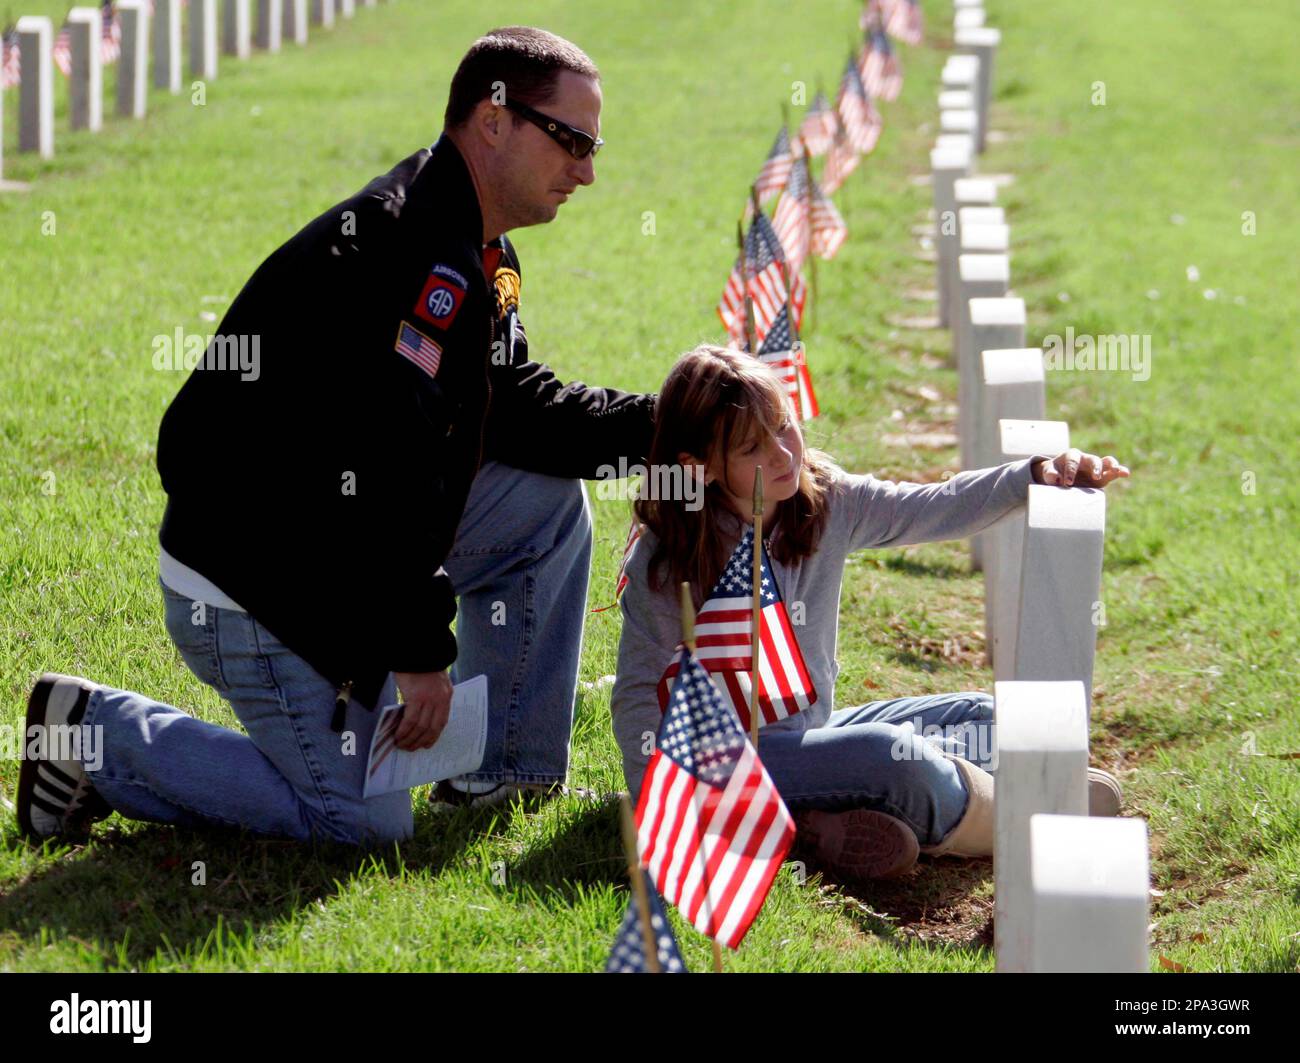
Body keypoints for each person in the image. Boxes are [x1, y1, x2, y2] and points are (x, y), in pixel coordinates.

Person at [17, 27, 657, 846]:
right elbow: (386, 471)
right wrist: (416, 649)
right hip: (250, 573)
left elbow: (517, 410)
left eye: (592, 146)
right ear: (493, 120)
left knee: (543, 506)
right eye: (571, 140)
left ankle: (501, 770)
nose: (587, 169)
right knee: (360, 817)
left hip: (322, 540)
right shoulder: (412, 251)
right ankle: (90, 732)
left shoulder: (469, 240)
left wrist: (676, 421)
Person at [610, 346, 1130, 882]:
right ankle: (1036, 818)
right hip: (723, 762)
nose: (784, 455)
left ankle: (820, 823)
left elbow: (930, 505)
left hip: (812, 729)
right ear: (699, 467)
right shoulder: (668, 558)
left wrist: (1033, 474)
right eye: (752, 449)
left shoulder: (823, 499)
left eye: (784, 427)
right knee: (886, 755)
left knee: (988, 718)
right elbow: (636, 692)